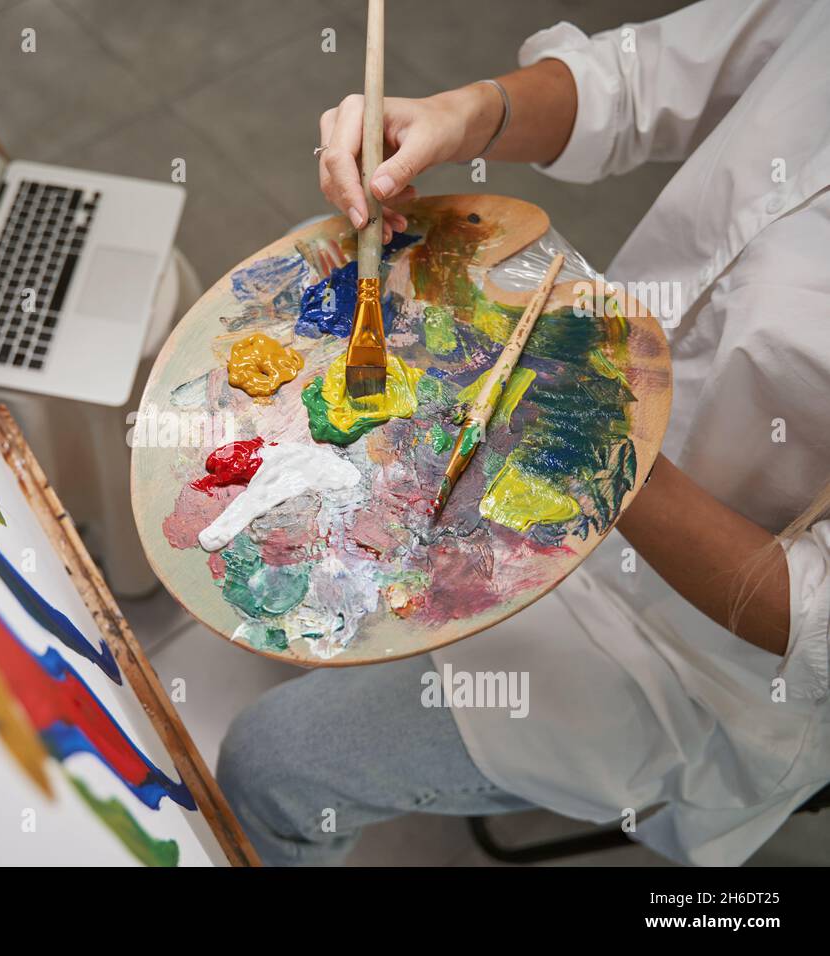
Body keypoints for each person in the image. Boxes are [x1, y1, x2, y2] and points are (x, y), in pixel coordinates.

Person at [216, 0, 830, 866]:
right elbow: (637, 80)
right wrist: (461, 113)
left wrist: (588, 436)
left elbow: (813, 619)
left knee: (274, 761)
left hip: (689, 659)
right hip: (544, 430)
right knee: (315, 550)